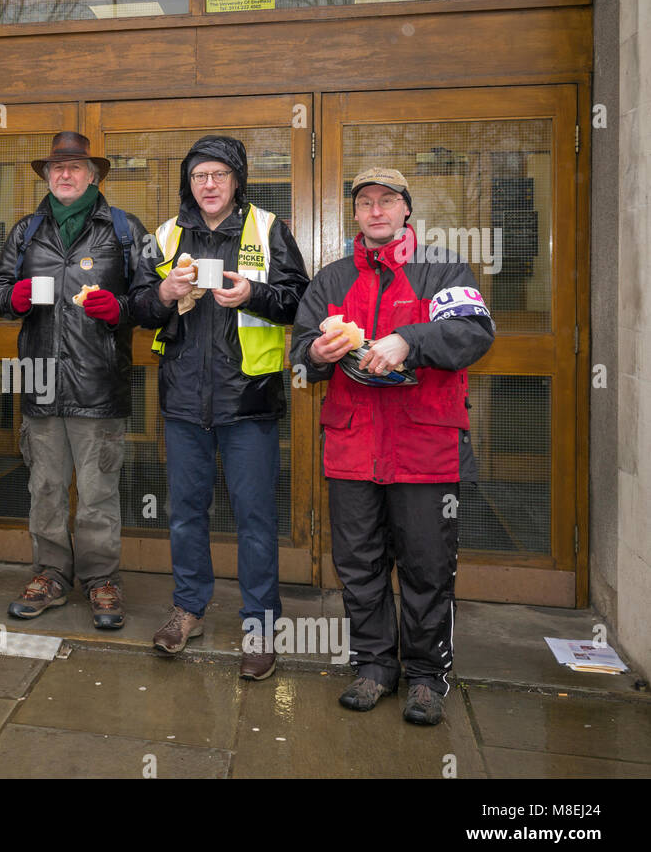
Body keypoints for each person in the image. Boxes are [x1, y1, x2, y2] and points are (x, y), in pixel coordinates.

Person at [289, 167, 495, 725]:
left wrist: (411, 338)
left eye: (387, 201)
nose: (376, 211)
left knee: (428, 566)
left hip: (425, 449)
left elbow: (475, 332)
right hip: (353, 447)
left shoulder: (443, 268)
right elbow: (299, 350)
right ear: (355, 214)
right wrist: (317, 355)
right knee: (358, 564)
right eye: (365, 203)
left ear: (406, 209)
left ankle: (427, 676)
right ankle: (375, 665)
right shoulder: (331, 279)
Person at [129, 135, 308, 678]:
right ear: (189, 182)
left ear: (237, 181)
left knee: (255, 519)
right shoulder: (163, 236)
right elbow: (136, 307)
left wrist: (251, 294)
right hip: (183, 402)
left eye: (219, 175)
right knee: (185, 515)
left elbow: (300, 299)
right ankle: (188, 610)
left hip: (248, 402)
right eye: (199, 175)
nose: (208, 185)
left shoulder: (269, 228)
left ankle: (259, 626)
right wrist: (162, 295)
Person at [0, 131, 147, 630]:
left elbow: (153, 297)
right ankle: (51, 574)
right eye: (57, 168)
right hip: (40, 380)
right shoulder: (27, 230)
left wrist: (119, 308)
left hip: (99, 382)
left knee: (98, 491)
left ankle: (101, 579)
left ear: (93, 175)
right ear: (47, 176)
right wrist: (8, 300)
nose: (65, 174)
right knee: (45, 486)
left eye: (75, 167)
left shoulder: (123, 228)